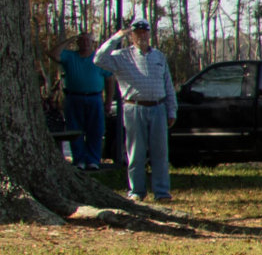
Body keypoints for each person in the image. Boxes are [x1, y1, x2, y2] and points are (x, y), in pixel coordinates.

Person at [94, 18, 174, 201]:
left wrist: (172, 110)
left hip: (158, 107)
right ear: (132, 36)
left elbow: (168, 85)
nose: (142, 36)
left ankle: (162, 192)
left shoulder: (159, 56)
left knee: (160, 153)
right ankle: (136, 191)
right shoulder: (121, 56)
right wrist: (117, 36)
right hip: (134, 108)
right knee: (136, 153)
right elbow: (98, 59)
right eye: (137, 32)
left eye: (144, 31)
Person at [56, 30, 106, 170]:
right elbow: (53, 54)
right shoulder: (69, 56)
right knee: (75, 130)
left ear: (92, 43)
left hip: (94, 97)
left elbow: (109, 78)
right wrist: (69, 39)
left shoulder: (99, 58)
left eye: (87, 40)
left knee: (95, 131)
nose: (84, 43)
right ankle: (79, 160)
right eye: (81, 40)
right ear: (77, 43)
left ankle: (93, 160)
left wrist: (108, 101)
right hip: (74, 97)